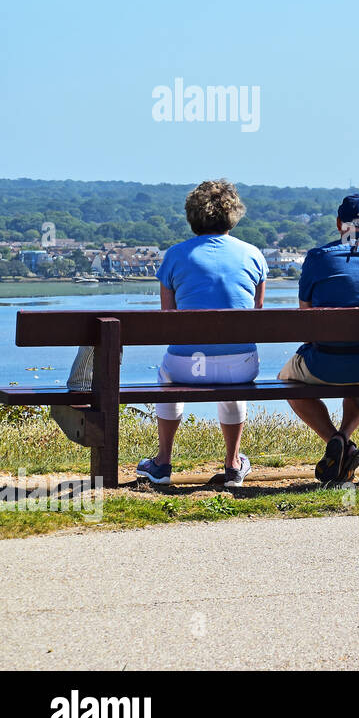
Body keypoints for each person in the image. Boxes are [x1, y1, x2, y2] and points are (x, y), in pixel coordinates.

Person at [136, 180, 267, 487]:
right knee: (233, 376)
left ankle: (163, 462)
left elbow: (168, 319)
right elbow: (259, 314)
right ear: (233, 214)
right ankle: (234, 464)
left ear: (192, 216)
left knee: (167, 378)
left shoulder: (175, 255)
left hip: (187, 365)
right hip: (240, 365)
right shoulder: (253, 255)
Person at [280, 194, 359, 485]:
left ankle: (336, 440)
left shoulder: (318, 258)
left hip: (324, 366)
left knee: (285, 379)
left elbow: (305, 316)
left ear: (339, 224)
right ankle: (345, 436)